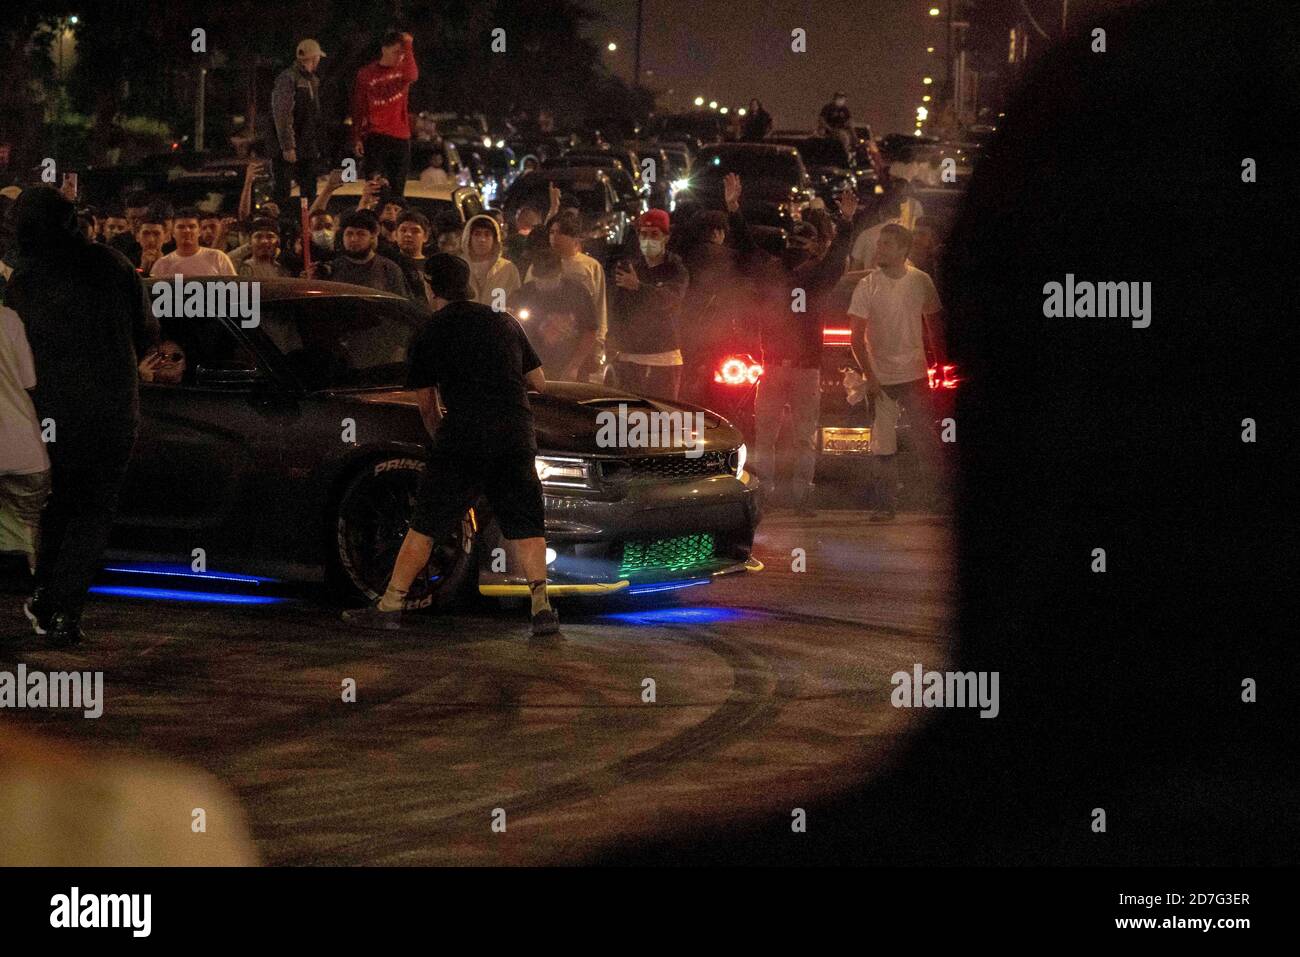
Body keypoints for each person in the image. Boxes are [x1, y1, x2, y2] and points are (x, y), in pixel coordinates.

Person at [342, 254, 558, 637]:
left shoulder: (430, 331)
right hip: (515, 434)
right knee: (527, 525)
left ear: (430, 286)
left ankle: (391, 604)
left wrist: (442, 437)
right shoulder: (503, 320)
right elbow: (540, 383)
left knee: (425, 524)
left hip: (463, 438)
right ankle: (541, 608)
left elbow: (426, 403)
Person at [6, 186, 159, 646]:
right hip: (113, 411)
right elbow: (145, 331)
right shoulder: (112, 264)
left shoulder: (26, 280)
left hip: (52, 414)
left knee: (58, 505)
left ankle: (46, 594)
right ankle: (63, 610)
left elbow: (17, 355)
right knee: (94, 511)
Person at [749, 176, 857, 514]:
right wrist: (735, 210)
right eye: (794, 241)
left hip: (805, 370)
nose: (798, 247)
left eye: (805, 242)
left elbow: (837, 258)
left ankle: (801, 497)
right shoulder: (776, 272)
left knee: (803, 437)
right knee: (766, 435)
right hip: (774, 366)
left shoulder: (818, 277)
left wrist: (847, 222)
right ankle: (762, 493)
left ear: (815, 248)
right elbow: (747, 251)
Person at [847, 223, 946, 521]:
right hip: (882, 377)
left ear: (904, 250)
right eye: (880, 244)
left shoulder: (921, 281)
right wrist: (872, 377)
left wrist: (939, 364)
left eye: (887, 244)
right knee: (883, 443)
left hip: (915, 373)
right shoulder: (867, 285)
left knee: (925, 440)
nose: (880, 249)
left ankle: (936, 502)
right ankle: (885, 505)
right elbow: (855, 338)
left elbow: (934, 325)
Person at [609, 209, 689, 400]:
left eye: (654, 235)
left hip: (664, 358)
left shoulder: (676, 269)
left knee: (660, 421)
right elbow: (618, 309)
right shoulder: (630, 268)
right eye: (644, 234)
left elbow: (669, 300)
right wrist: (611, 340)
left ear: (666, 237)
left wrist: (639, 287)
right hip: (629, 358)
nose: (648, 240)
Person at [0, 303, 50, 576]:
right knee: (24, 537)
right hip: (22, 450)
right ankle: (36, 602)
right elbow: (29, 380)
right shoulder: (9, 319)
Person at [525, 209, 607, 377]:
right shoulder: (540, 265)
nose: (554, 237)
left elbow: (599, 308)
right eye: (552, 232)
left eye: (561, 233)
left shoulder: (590, 266)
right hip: (543, 347)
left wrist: (598, 345)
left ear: (574, 238)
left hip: (578, 344)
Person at [510, 245, 598, 381]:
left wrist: (574, 366)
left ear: (560, 272)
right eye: (540, 279)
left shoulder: (578, 292)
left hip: (573, 370)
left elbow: (590, 331)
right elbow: (515, 333)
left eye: (550, 278)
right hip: (534, 370)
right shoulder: (525, 294)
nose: (545, 283)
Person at [351, 30, 419, 196]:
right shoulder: (366, 74)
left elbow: (413, 75)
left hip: (400, 136)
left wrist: (408, 46)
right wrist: (357, 136)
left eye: (401, 54)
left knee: (397, 189)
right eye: (396, 52)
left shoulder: (403, 70)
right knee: (375, 187)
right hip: (376, 135)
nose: (399, 57)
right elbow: (359, 106)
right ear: (384, 49)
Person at [269, 38, 326, 210]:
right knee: (283, 191)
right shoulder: (289, 79)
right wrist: (288, 146)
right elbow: (283, 114)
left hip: (306, 146)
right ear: (314, 58)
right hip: (292, 147)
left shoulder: (311, 80)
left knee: (308, 191)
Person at [317, 208, 411, 297]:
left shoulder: (389, 269)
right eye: (349, 234)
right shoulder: (332, 268)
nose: (354, 239)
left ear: (372, 237)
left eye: (361, 234)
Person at [150, 208, 237, 278]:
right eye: (181, 227)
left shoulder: (218, 257)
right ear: (173, 233)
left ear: (199, 231)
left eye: (192, 226)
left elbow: (234, 291)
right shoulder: (162, 264)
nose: (187, 230)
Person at [460, 213, 521, 307]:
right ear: (469, 237)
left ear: (495, 239)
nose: (482, 239)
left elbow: (515, 301)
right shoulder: (458, 266)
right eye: (477, 234)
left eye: (487, 234)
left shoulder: (508, 269)